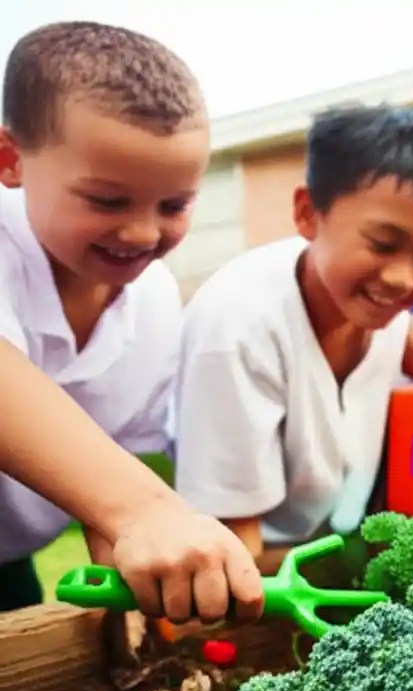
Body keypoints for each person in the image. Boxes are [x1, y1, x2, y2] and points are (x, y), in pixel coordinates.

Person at [0, 20, 264, 622]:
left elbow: (119, 466)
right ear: (11, 161)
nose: (144, 233)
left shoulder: (156, 301)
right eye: (107, 200)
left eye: (174, 204)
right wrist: (144, 512)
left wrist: (136, 552)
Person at [171, 104, 413, 572]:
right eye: (383, 244)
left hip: (329, 549)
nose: (401, 279)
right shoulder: (239, 327)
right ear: (308, 214)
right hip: (245, 570)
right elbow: (233, 548)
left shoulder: (384, 315)